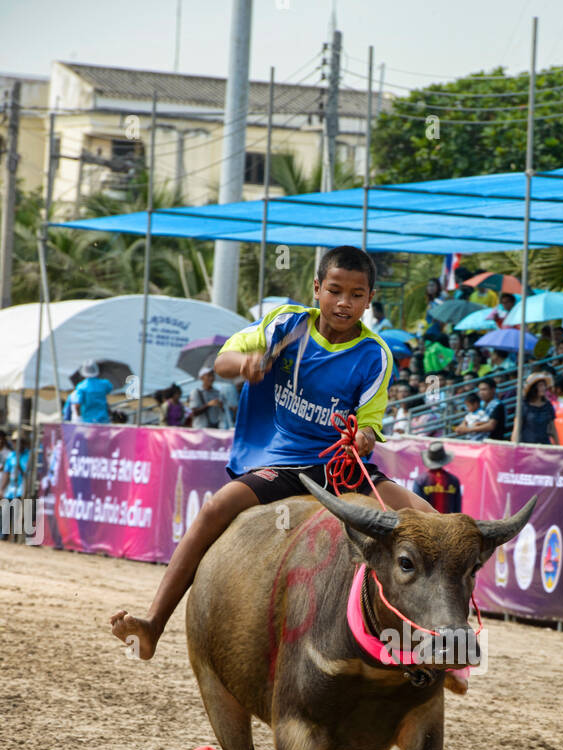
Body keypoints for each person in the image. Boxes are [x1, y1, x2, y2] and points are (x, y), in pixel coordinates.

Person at [109, 244, 435, 668]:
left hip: (340, 465)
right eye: (335, 290)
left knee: (434, 523)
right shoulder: (286, 324)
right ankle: (153, 623)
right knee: (216, 508)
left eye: (357, 294)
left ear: (370, 299)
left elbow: (371, 421)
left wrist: (365, 438)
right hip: (283, 461)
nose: (344, 302)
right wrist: (246, 362)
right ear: (316, 288)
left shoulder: (375, 355)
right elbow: (222, 361)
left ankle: (448, 650)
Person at [411, 441, 462, 513]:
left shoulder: (420, 480)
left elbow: (417, 507)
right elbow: (457, 510)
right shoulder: (454, 480)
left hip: (427, 521)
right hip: (448, 522)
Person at [518, 372, 557, 445]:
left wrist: (558, 447)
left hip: (544, 447)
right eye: (540, 385)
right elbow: (517, 429)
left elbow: (553, 429)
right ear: (533, 388)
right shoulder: (524, 405)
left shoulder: (548, 405)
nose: (544, 388)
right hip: (527, 448)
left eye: (544, 385)